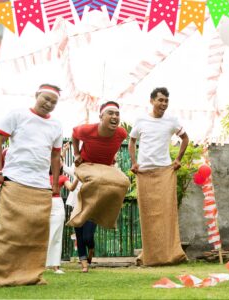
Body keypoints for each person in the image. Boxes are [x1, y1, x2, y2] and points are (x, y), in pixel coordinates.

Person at [0, 83, 63, 287]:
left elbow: (56, 156)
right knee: (9, 231)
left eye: (53, 102)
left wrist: (56, 185)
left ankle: (30, 275)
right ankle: (1, 274)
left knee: (36, 234)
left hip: (41, 185)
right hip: (14, 179)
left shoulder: (56, 125)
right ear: (36, 95)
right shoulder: (17, 115)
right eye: (46, 99)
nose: (48, 104)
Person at [128, 87, 189, 266]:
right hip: (144, 172)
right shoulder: (141, 120)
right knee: (147, 215)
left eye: (166, 101)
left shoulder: (172, 120)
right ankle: (150, 256)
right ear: (152, 100)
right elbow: (131, 141)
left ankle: (170, 255)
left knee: (167, 213)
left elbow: (185, 138)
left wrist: (178, 159)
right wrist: (133, 162)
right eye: (160, 100)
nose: (163, 104)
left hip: (165, 172)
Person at [66, 101, 130, 272]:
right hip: (88, 168)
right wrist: (77, 153)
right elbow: (74, 134)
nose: (115, 117)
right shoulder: (87, 130)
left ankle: (107, 216)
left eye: (117, 114)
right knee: (80, 228)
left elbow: (113, 146)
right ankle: (83, 261)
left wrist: (113, 156)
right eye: (110, 113)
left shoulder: (122, 133)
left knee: (124, 182)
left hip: (106, 171)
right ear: (101, 116)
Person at [46, 156, 78, 274]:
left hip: (57, 204)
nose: (59, 163)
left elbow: (72, 188)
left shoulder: (63, 177)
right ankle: (40, 264)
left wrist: (78, 177)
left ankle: (55, 266)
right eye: (56, 160)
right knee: (42, 234)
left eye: (61, 161)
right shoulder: (43, 175)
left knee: (57, 234)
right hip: (43, 204)